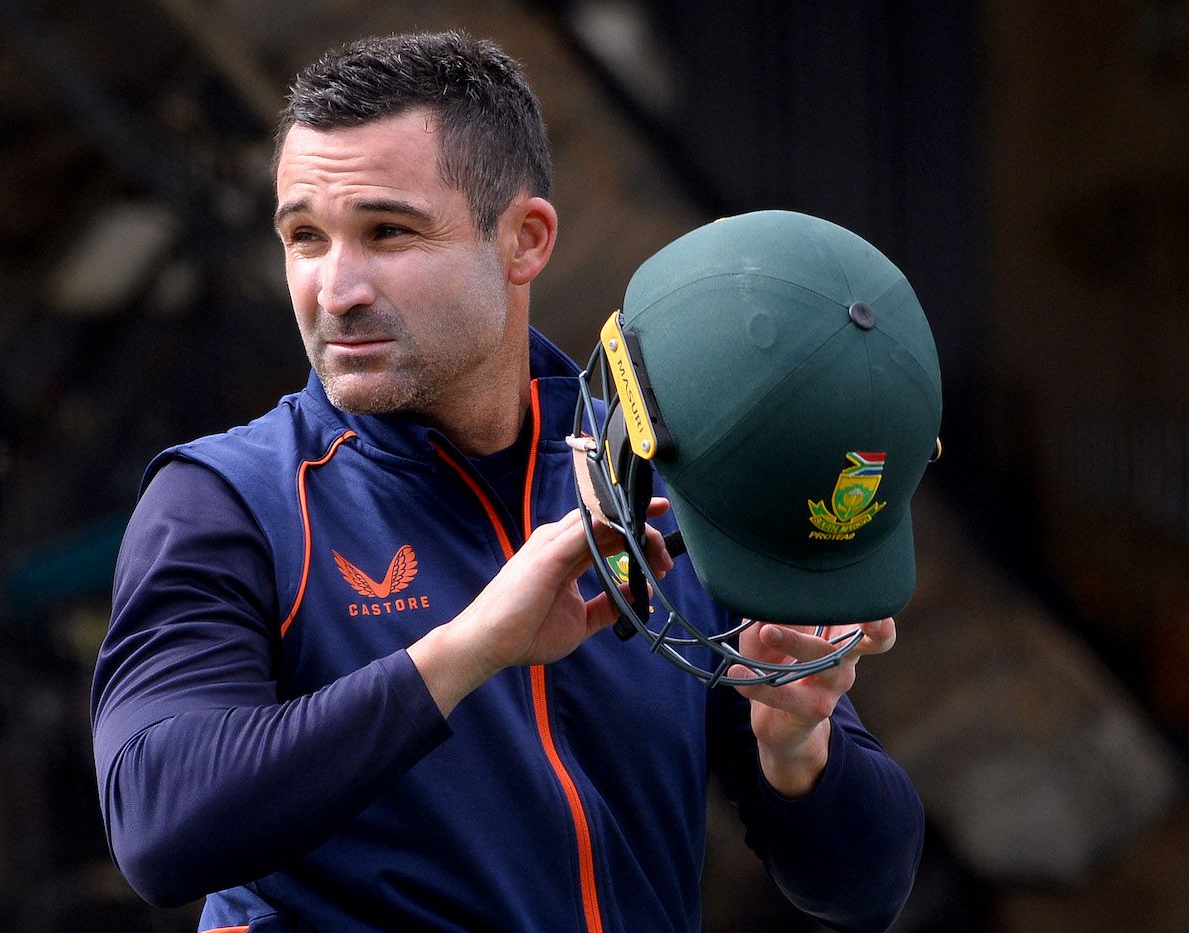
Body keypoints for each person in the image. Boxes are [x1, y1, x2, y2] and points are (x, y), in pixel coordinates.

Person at [91, 31, 924, 933]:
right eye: (304, 237)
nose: (333, 288)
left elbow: (864, 888)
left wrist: (798, 747)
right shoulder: (227, 499)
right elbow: (157, 827)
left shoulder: (662, 474)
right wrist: (465, 652)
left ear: (524, 240)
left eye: (388, 232)